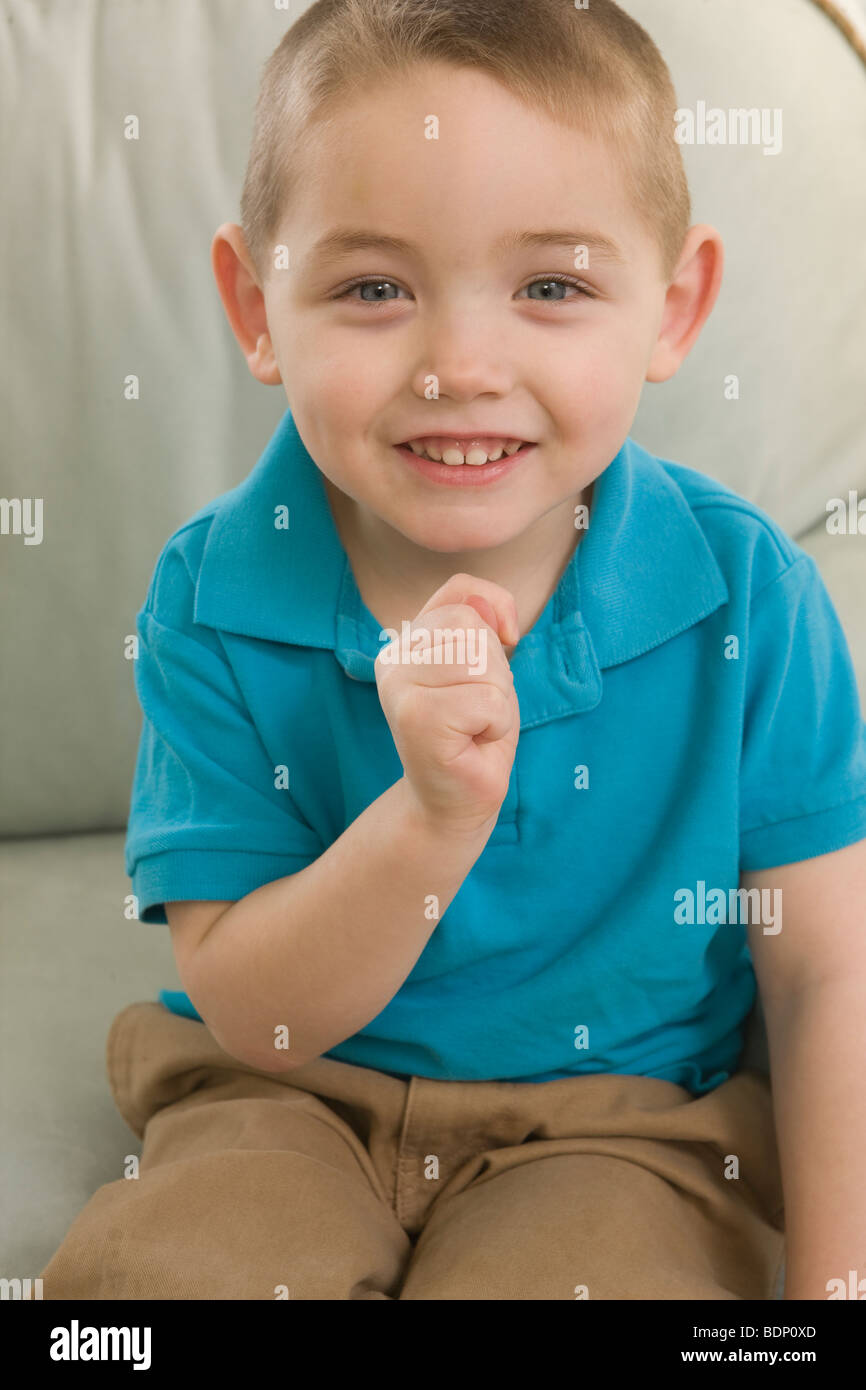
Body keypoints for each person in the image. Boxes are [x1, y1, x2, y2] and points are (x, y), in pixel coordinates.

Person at [40, 0, 866, 1299]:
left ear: (671, 303)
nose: (459, 365)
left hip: (623, 1119)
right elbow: (259, 1013)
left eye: (551, 286)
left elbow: (825, 973)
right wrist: (429, 821)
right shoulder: (210, 591)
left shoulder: (745, 598)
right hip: (286, 1092)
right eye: (374, 288)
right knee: (162, 1286)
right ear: (258, 308)